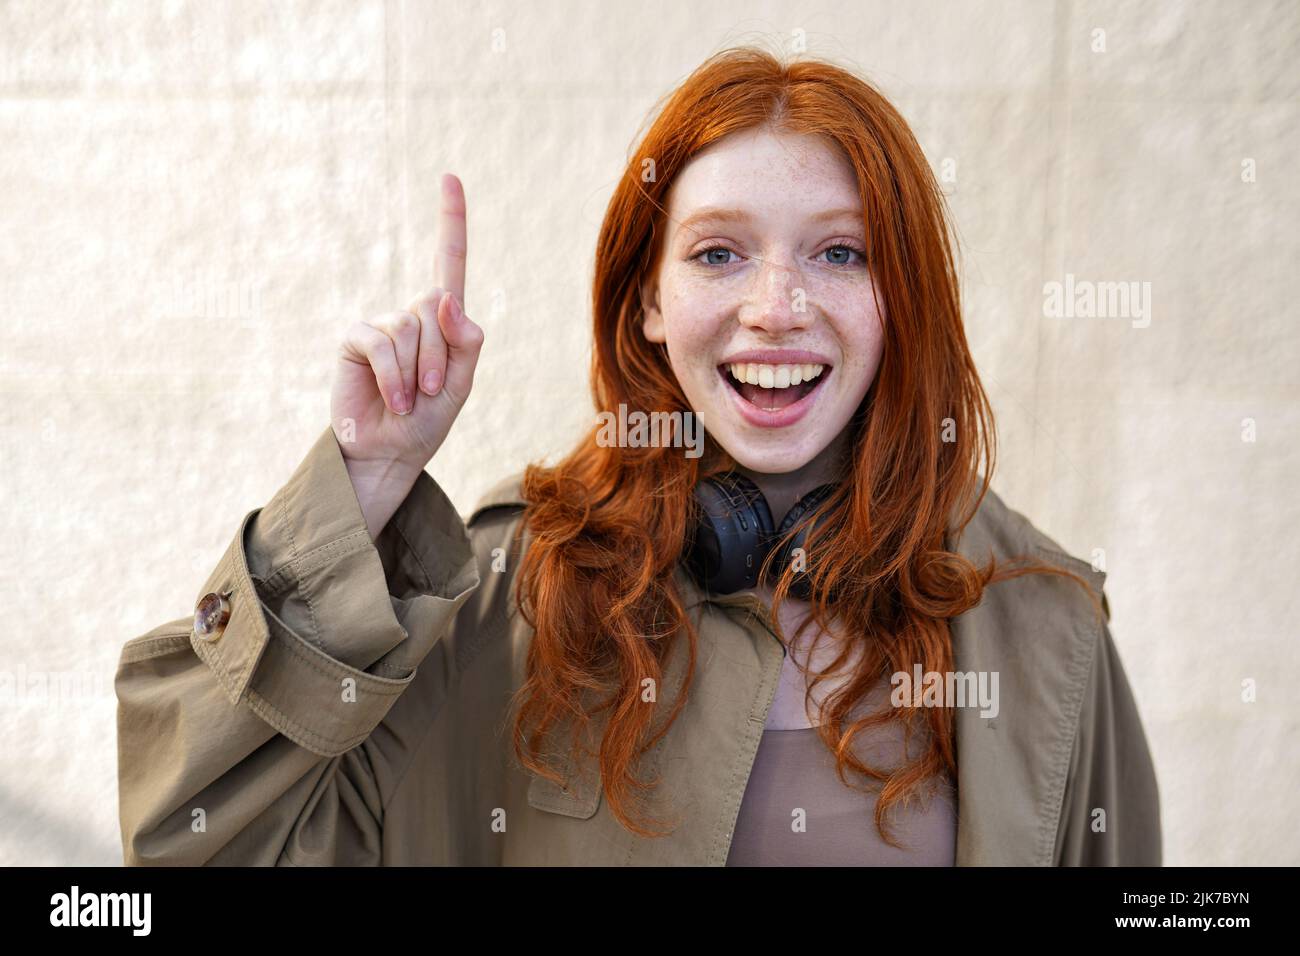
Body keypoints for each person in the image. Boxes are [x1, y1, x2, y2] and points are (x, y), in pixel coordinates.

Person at [115, 46, 1161, 866]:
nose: (776, 308)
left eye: (839, 252)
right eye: (718, 252)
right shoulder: (512, 589)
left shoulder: (1042, 623)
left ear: (901, 300)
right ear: (651, 301)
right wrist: (362, 495)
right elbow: (202, 841)